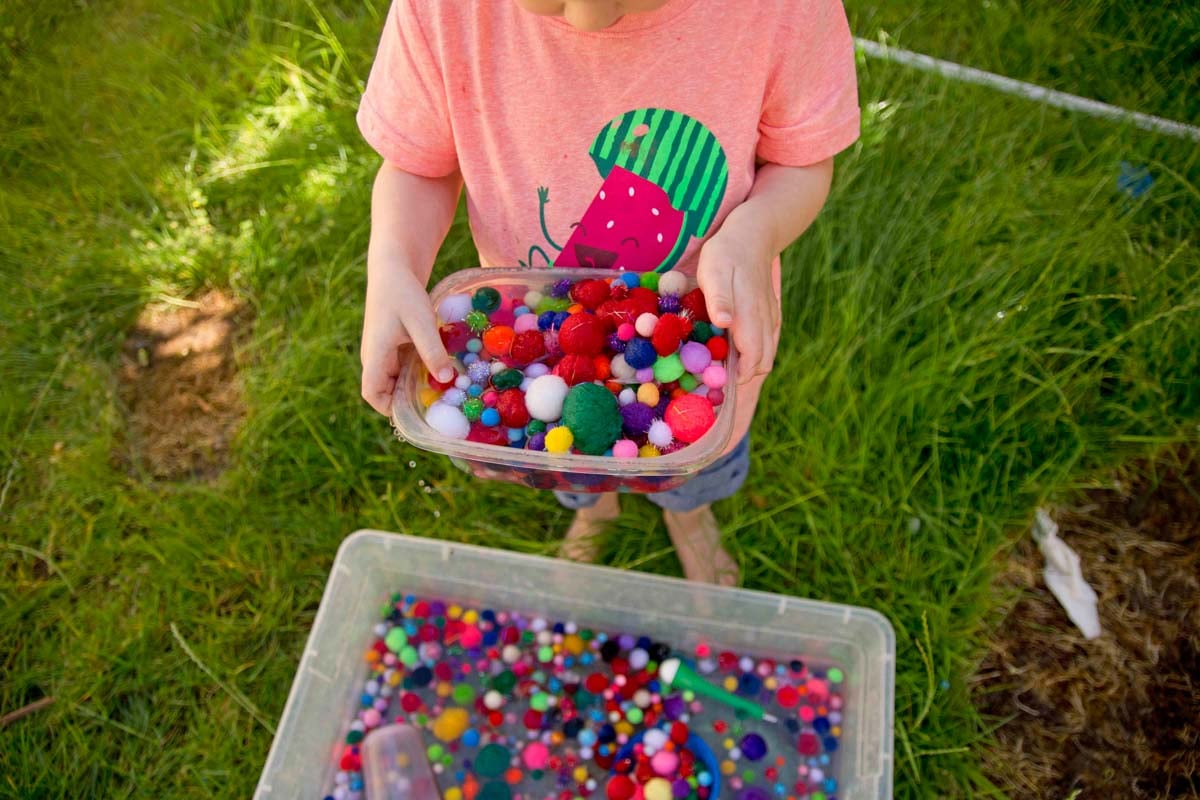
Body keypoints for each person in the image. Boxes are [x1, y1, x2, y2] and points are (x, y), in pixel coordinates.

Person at [358, 0, 860, 585]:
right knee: (561, 450)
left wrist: (755, 232)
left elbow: (800, 163)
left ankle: (688, 515)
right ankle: (594, 506)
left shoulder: (785, 12)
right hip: (534, 340)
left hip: (698, 356)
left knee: (691, 463)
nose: (587, 19)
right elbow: (419, 165)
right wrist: (393, 265)